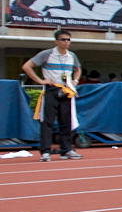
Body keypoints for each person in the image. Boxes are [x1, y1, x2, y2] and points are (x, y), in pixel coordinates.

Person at [21, 30, 83, 161]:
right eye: (63, 39)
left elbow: (78, 69)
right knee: (47, 122)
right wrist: (40, 81)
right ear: (56, 41)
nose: (66, 42)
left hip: (66, 90)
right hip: (51, 90)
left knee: (66, 122)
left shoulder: (72, 55)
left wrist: (75, 80)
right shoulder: (47, 54)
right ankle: (45, 151)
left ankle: (66, 150)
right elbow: (27, 66)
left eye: (68, 39)